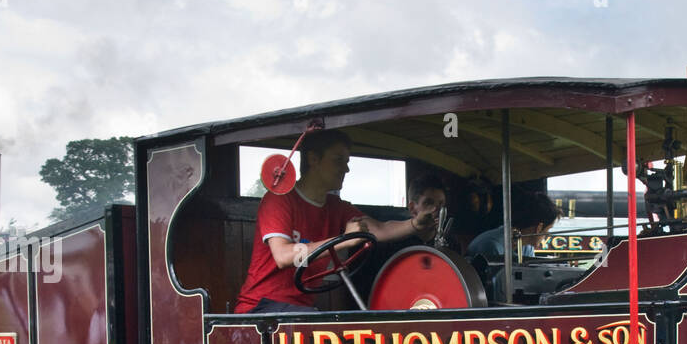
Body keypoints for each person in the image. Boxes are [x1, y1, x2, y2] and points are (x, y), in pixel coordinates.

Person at [235, 129, 438, 314]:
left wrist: (415, 224)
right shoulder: (279, 199)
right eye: (338, 160)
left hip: (298, 310)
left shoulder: (336, 206)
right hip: (259, 309)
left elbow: (378, 229)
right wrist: (344, 240)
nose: (346, 169)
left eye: (347, 161)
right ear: (313, 159)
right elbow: (283, 256)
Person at [466, 190, 562, 259]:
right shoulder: (491, 246)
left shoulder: (526, 247)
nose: (547, 235)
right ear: (539, 228)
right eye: (548, 230)